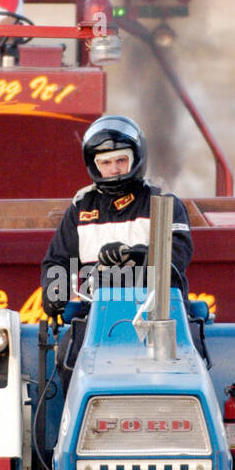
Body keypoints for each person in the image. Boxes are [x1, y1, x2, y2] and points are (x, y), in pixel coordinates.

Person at [41, 115, 193, 320]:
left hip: (159, 316)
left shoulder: (162, 201)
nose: (114, 169)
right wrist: (54, 290)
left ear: (136, 159)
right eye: (106, 162)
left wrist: (134, 255)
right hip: (95, 319)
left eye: (121, 160)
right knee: (63, 350)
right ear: (95, 165)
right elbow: (57, 260)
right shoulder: (81, 206)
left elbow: (178, 255)